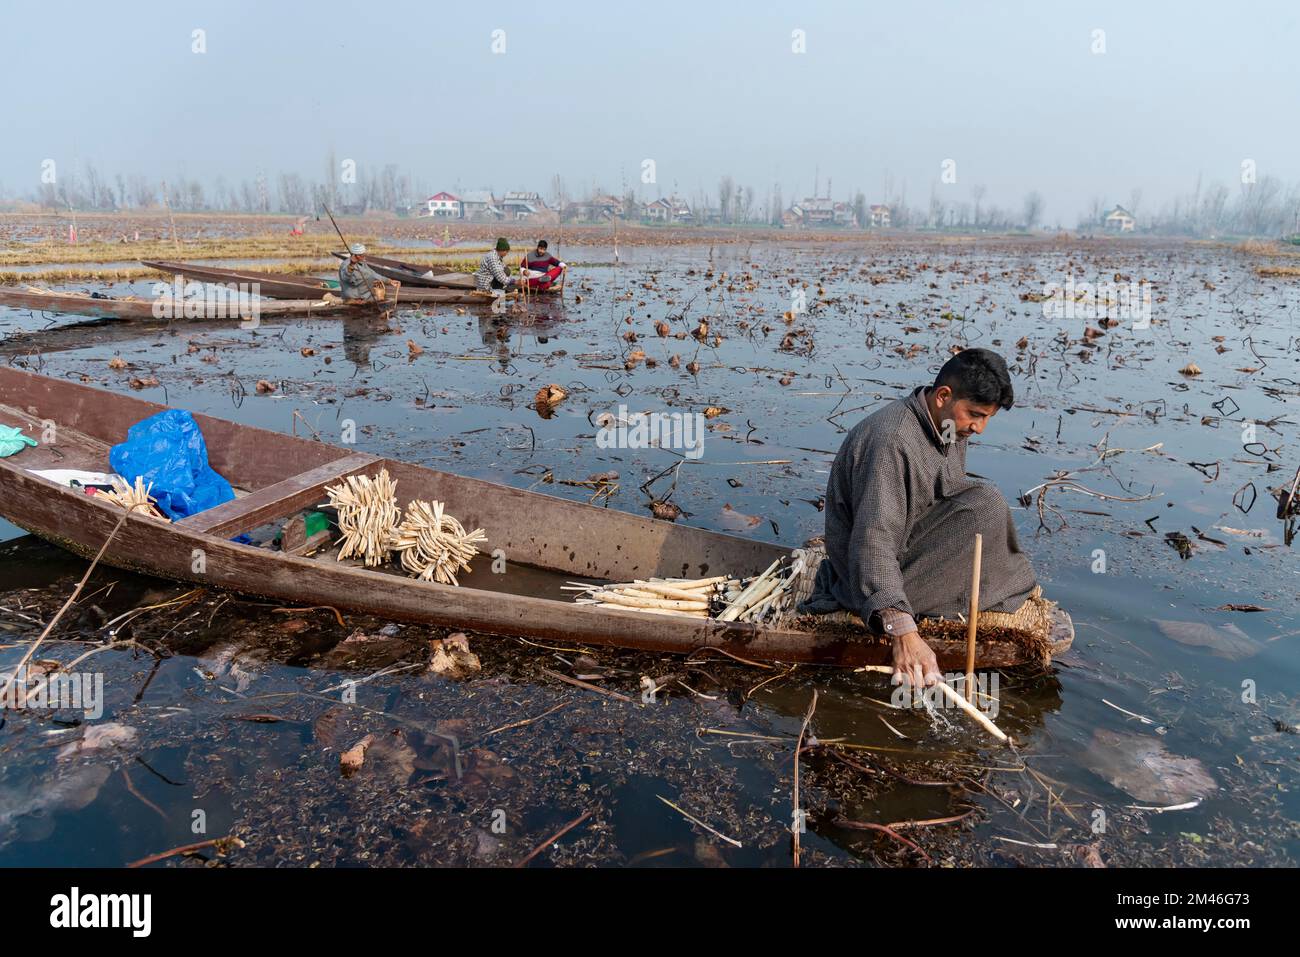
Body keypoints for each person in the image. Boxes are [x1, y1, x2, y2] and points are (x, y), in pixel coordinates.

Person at [805, 348, 1040, 689]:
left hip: (911, 542)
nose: (980, 428)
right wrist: (902, 629)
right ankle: (882, 598)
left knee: (985, 502)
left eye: (987, 418)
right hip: (866, 567)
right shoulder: (892, 442)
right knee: (988, 515)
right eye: (974, 414)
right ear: (943, 395)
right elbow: (874, 540)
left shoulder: (946, 425)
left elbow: (948, 492)